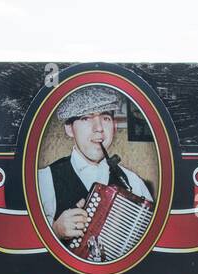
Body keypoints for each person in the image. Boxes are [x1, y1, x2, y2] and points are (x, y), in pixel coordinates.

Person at [36, 85, 153, 242]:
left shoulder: (133, 182)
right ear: (69, 129)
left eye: (105, 118)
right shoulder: (43, 181)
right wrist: (54, 232)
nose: (98, 129)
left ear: (114, 125)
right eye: (86, 118)